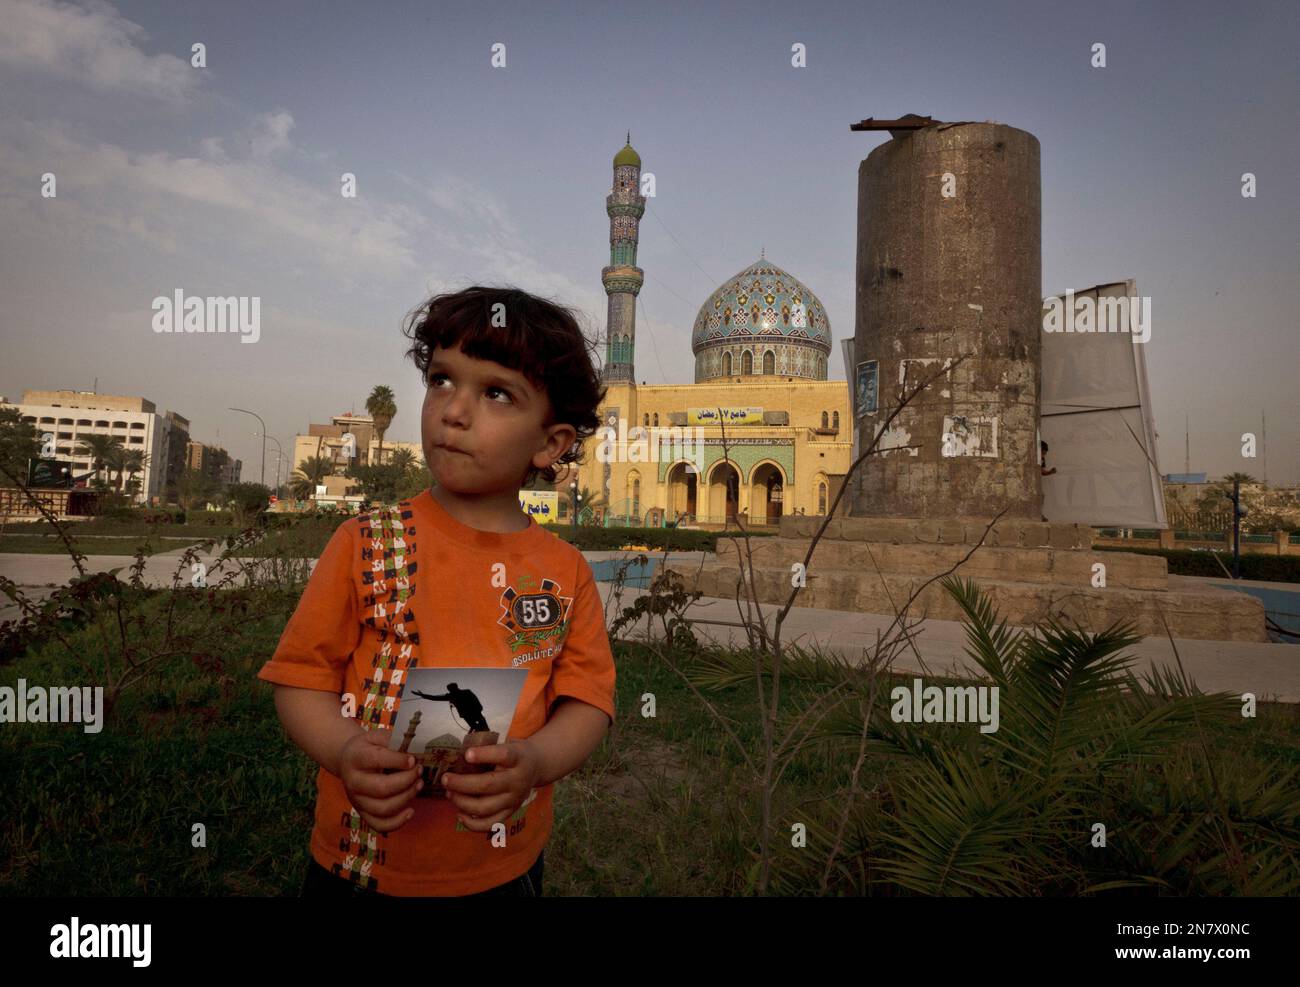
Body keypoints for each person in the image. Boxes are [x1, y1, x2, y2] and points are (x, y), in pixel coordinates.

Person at [259, 286, 616, 897]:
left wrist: (535, 764)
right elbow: (301, 682)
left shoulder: (566, 570)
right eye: (442, 380)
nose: (454, 411)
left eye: (497, 393)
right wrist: (345, 751)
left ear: (550, 443)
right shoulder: (366, 543)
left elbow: (586, 704)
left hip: (505, 864)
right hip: (364, 864)